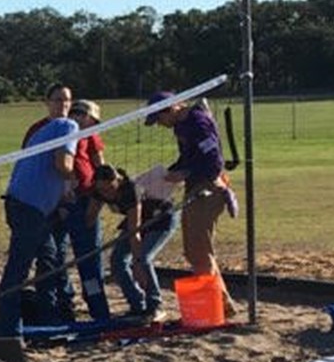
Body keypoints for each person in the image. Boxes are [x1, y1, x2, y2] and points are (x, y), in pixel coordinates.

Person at [146, 91, 240, 319]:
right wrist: (171, 172)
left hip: (207, 189)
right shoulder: (181, 126)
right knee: (194, 250)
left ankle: (214, 308)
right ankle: (223, 304)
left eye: (159, 118)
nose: (160, 125)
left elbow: (213, 163)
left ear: (171, 109)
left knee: (199, 251)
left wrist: (184, 173)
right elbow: (189, 158)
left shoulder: (198, 123)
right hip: (195, 187)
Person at [0, 112, 79, 333]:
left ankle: (47, 315)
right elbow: (62, 164)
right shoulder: (69, 126)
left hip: (28, 206)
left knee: (49, 257)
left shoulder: (44, 131)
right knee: (19, 267)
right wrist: (76, 179)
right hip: (28, 208)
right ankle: (9, 326)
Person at [86, 163, 179, 319]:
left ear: (118, 181)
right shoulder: (99, 191)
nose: (107, 194)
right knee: (117, 261)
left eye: (110, 189)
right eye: (102, 190)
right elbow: (90, 217)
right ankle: (137, 304)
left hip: (159, 219)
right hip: (137, 222)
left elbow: (134, 231)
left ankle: (154, 305)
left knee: (144, 258)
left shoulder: (131, 190)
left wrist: (137, 265)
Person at [21, 84, 81, 319]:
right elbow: (54, 165)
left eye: (67, 100)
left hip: (64, 202)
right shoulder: (38, 130)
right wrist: (70, 179)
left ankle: (63, 303)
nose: (63, 104)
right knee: (45, 256)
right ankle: (46, 305)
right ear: (47, 102)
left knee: (59, 254)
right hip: (39, 203)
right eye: (58, 100)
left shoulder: (74, 127)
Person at [64, 99, 112, 320]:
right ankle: (63, 304)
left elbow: (101, 167)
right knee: (58, 256)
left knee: (90, 258)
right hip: (63, 202)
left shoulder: (91, 135)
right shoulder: (63, 130)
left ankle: (97, 305)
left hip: (87, 200)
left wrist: (100, 197)